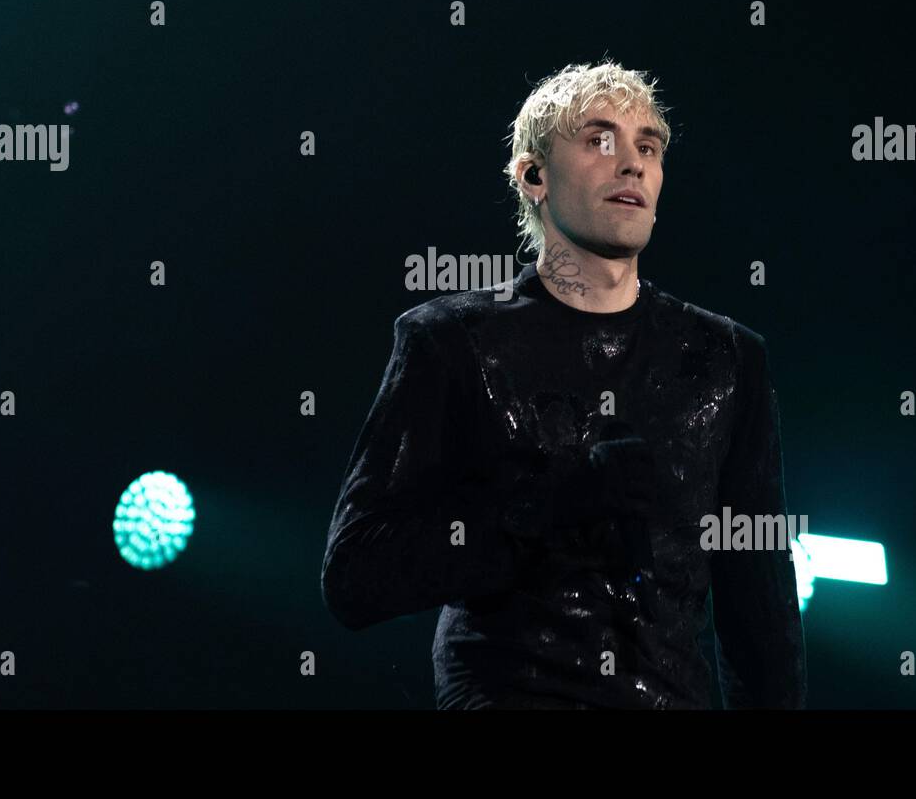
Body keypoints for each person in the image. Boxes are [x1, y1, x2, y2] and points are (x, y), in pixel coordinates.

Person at [321, 59, 807, 708]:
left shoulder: (728, 358)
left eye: (648, 146)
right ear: (533, 176)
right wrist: (540, 511)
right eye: (600, 140)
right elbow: (355, 577)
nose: (631, 164)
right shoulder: (449, 341)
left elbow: (762, 610)